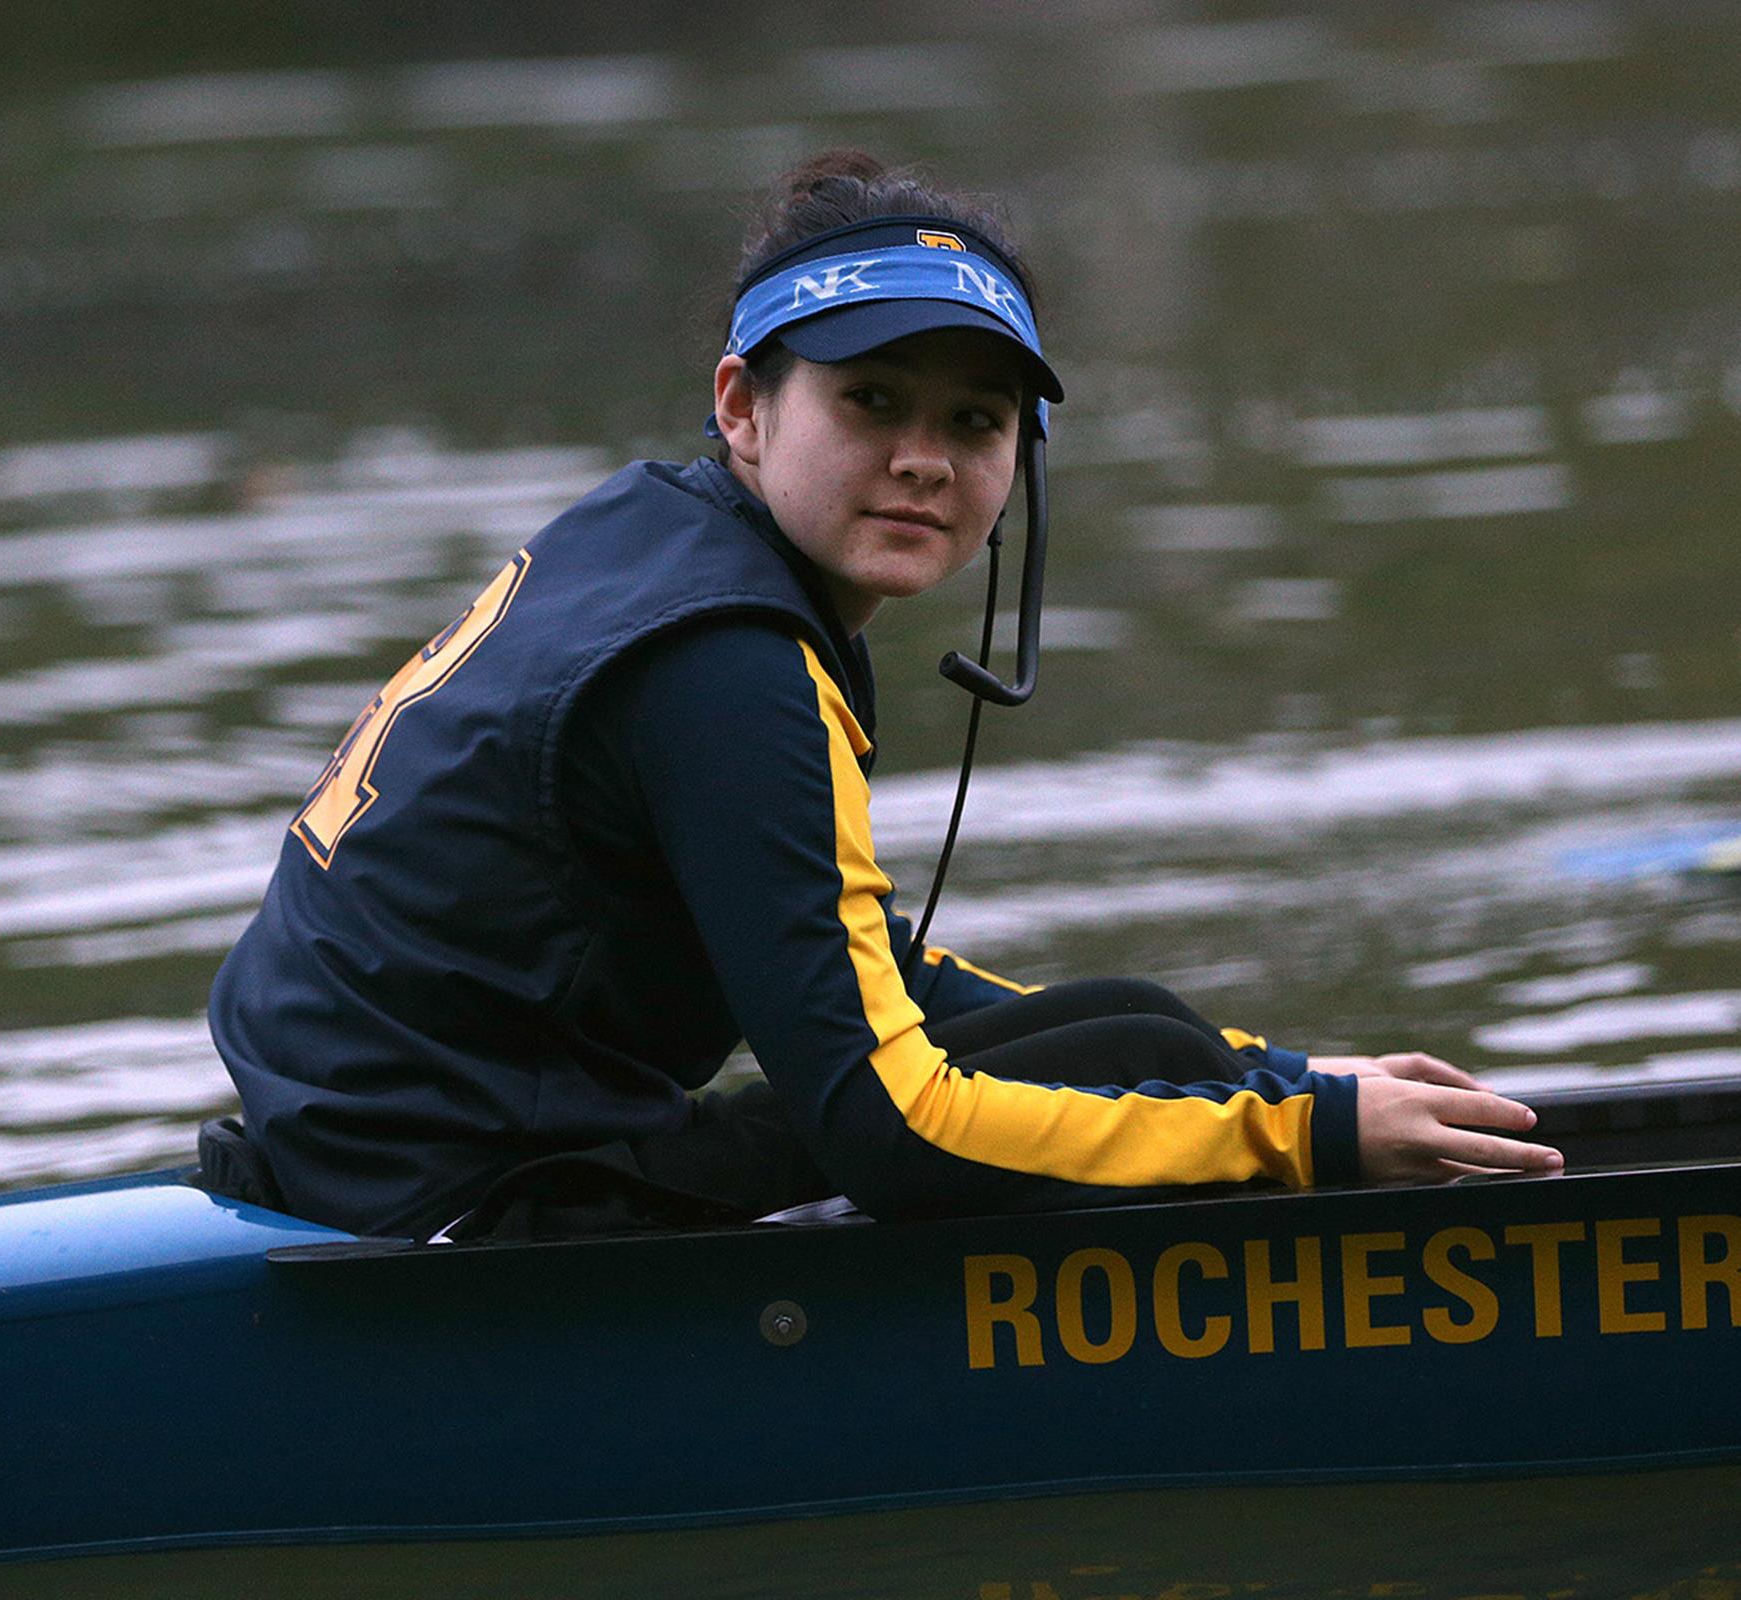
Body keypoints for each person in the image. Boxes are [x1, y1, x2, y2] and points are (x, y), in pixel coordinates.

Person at [206, 151, 1561, 1240]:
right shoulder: (727, 671)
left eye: (975, 423)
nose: (925, 459)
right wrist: (1302, 1139)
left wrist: (1292, 1080)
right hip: (450, 1234)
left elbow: (863, 961)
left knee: (1136, 1024)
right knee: (1120, 1070)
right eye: (873, 402)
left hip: (354, 1156)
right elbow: (889, 1130)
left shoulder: (655, 538)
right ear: (744, 406)